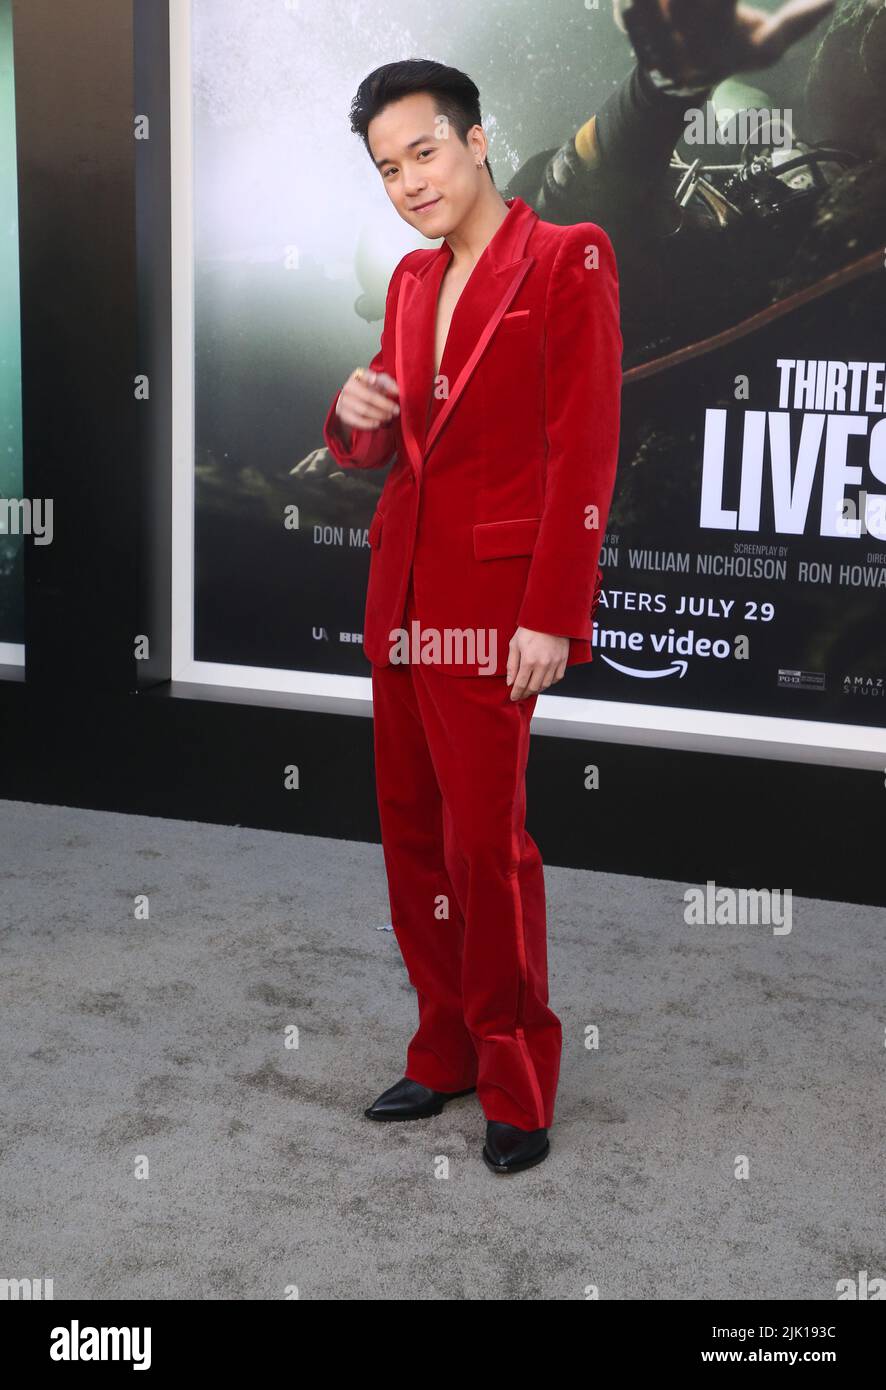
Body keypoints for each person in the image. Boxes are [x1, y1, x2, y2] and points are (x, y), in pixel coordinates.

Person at [322, 59, 622, 1174]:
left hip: (494, 613)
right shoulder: (406, 282)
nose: (409, 182)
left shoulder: (567, 256)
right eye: (388, 168)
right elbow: (390, 444)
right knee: (411, 839)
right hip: (398, 602)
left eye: (425, 152)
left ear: (478, 139)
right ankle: (442, 1043)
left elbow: (580, 448)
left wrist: (551, 613)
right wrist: (350, 415)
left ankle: (516, 1073)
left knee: (482, 850)